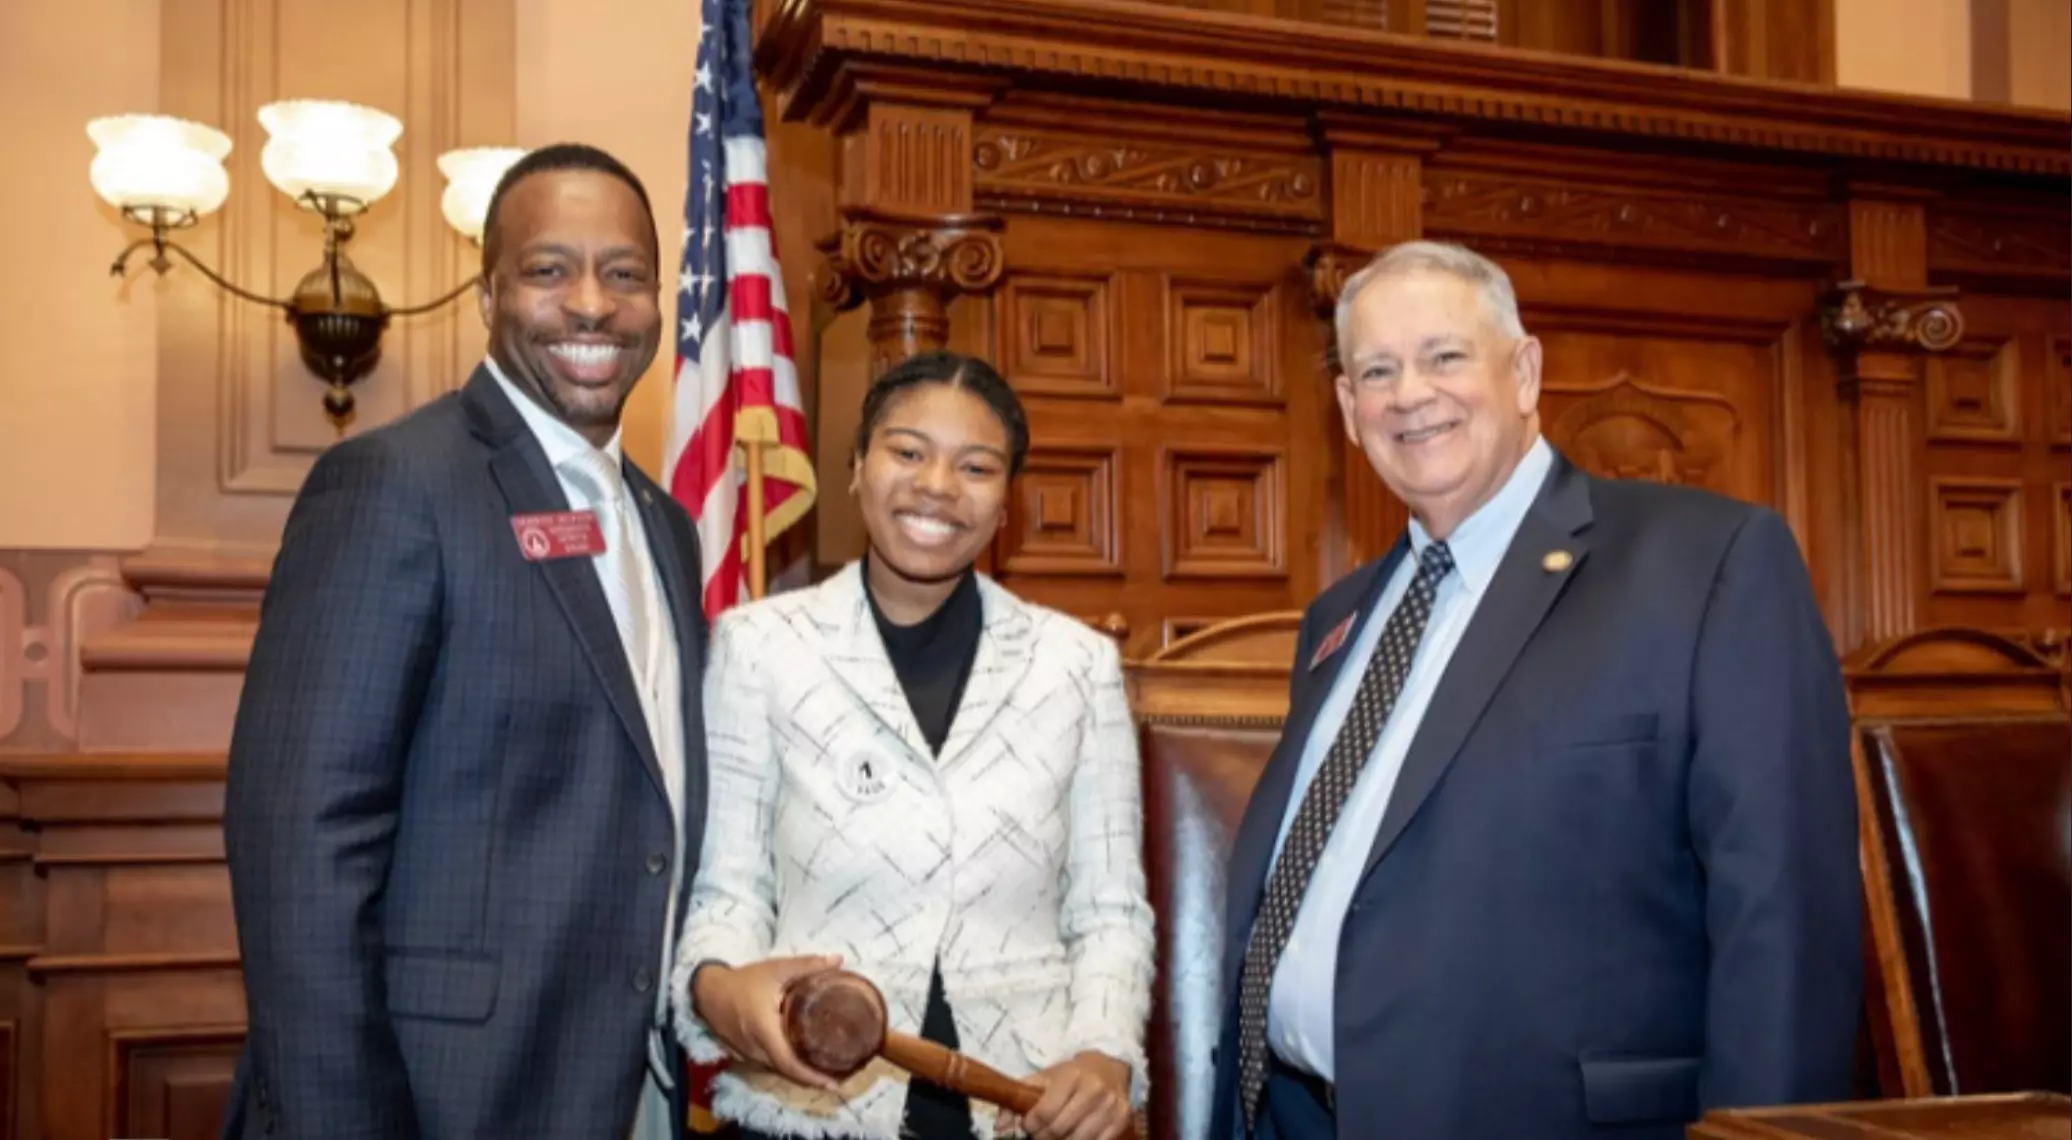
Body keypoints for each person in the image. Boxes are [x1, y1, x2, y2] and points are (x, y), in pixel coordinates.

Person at [1206, 241, 1861, 1140]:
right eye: (1378, 371)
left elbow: (1785, 914)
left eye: (1445, 357)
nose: (1411, 393)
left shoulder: (1704, 564)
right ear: (1349, 412)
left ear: (1524, 372)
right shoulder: (1341, 616)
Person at [220, 143, 707, 1140]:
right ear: (487, 294)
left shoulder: (665, 524)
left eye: (623, 274)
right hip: (444, 1096)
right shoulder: (395, 485)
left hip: (630, 1086)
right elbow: (301, 850)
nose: (590, 305)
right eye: (548, 270)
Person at [671, 351, 1153, 1140]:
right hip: (810, 1104)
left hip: (1021, 1105)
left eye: (976, 466)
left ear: (1006, 505)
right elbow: (727, 892)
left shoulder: (1076, 665)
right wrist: (722, 989)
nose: (936, 485)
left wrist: (1104, 1052)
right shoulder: (759, 648)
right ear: (857, 468)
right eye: (907, 452)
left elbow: (1107, 912)